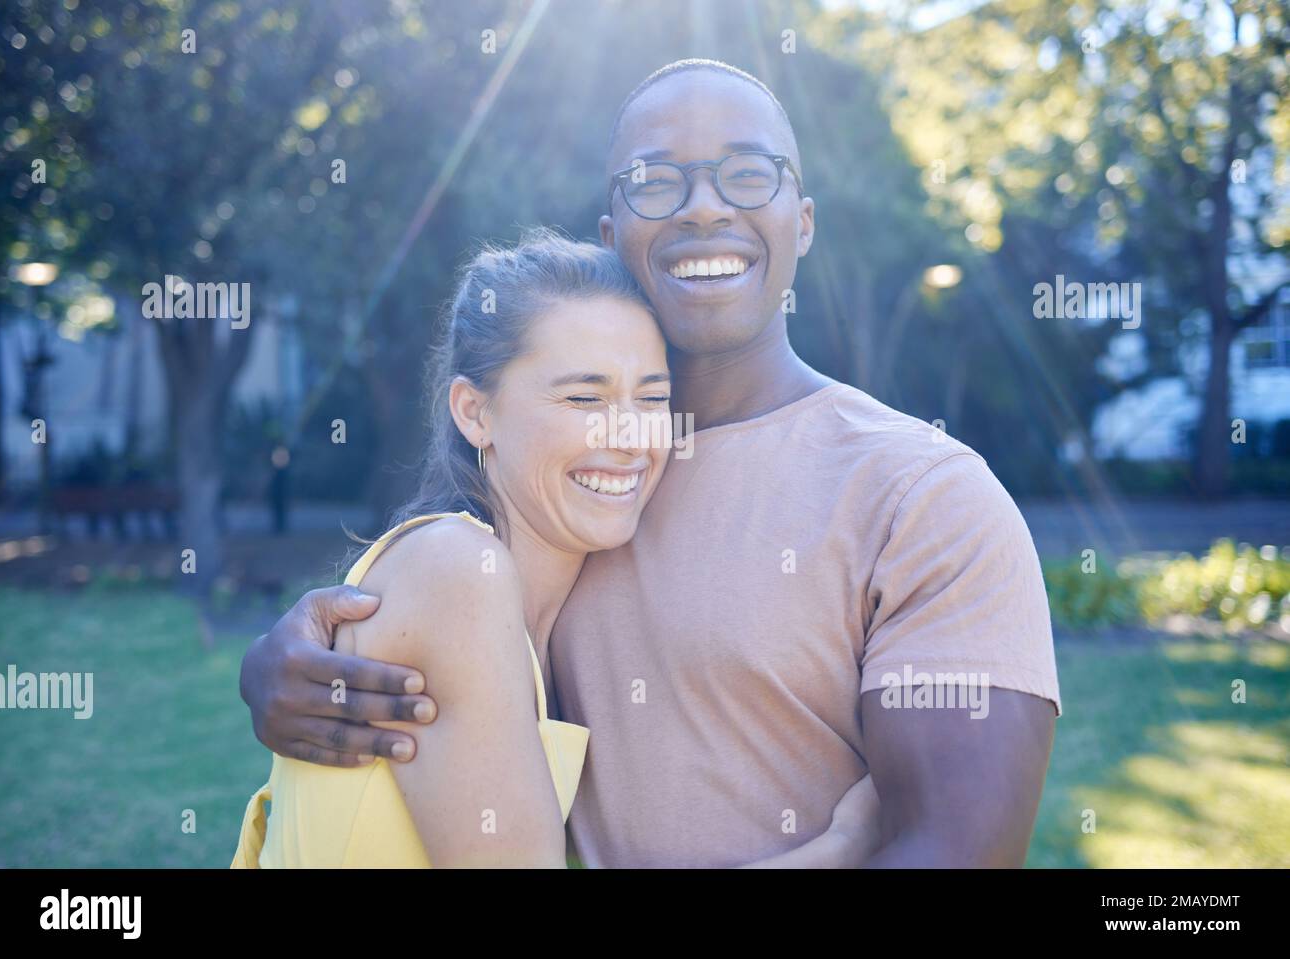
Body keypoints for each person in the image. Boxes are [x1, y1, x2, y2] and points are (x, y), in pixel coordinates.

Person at [240, 60, 1061, 868]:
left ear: (803, 221)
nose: (704, 206)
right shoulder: (559, 498)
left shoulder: (925, 495)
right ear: (614, 235)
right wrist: (287, 663)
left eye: (747, 173)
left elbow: (960, 853)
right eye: (656, 180)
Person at [232, 229, 880, 867]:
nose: (629, 436)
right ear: (474, 411)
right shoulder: (458, 569)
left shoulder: (553, 602)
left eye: (652, 397)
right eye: (583, 396)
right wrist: (841, 848)